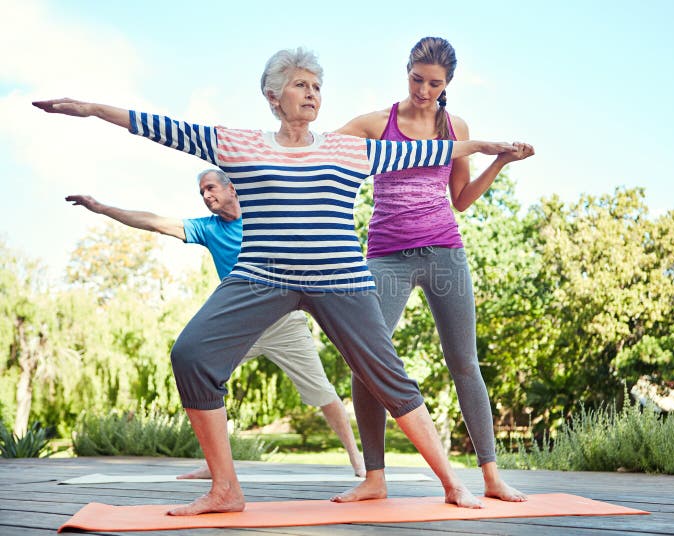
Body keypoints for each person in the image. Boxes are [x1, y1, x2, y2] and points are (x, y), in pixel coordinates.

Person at [33, 46, 522, 516]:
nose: (311, 93)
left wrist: (484, 147)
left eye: (316, 87)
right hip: (261, 276)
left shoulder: (348, 149)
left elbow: (425, 152)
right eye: (300, 85)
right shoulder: (239, 145)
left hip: (339, 279)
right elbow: (164, 128)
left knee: (386, 373)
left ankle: (452, 482)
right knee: (191, 355)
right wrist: (93, 109)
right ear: (273, 96)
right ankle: (225, 489)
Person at [334, 36, 534, 504]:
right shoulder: (376, 123)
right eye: (417, 79)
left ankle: (491, 477)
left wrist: (499, 162)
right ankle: (375, 478)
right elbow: (317, 146)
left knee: (465, 363)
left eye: (434, 84)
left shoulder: (455, 128)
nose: (424, 91)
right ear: (407, 72)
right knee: (366, 362)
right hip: (387, 255)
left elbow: (460, 200)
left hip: (445, 252)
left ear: (448, 84)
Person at [65, 169, 365, 479]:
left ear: (231, 188)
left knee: (321, 392)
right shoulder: (208, 228)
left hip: (284, 323)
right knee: (199, 378)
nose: (206, 196)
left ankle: (357, 459)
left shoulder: (263, 219)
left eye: (210, 188)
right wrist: (101, 208)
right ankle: (214, 464)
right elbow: (154, 222)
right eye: (202, 192)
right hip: (239, 325)